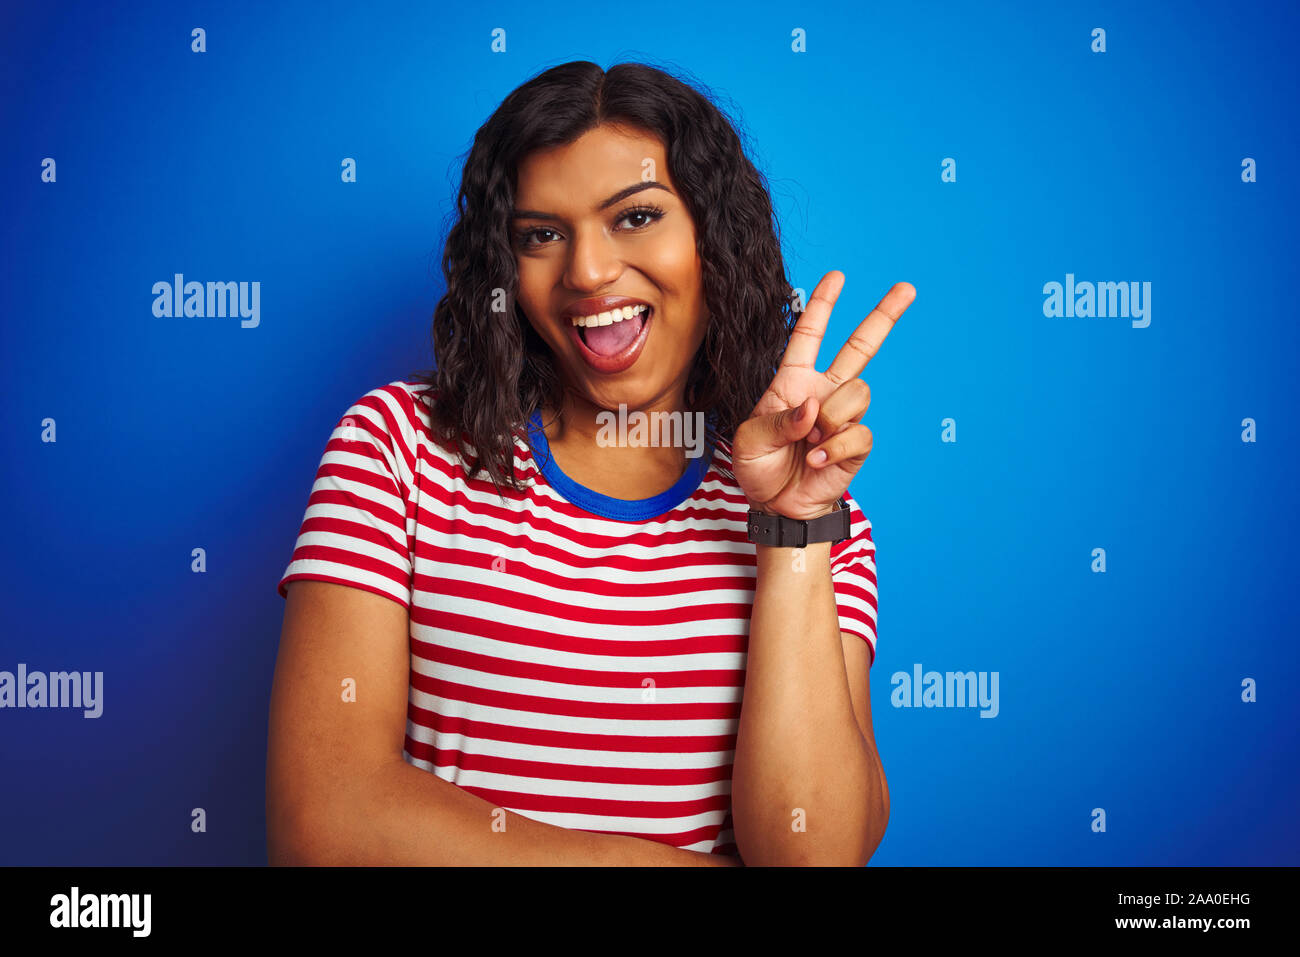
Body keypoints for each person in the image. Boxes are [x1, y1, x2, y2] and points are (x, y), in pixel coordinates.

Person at [265, 59, 913, 867]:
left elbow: (813, 853)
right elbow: (323, 820)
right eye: (542, 234)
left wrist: (790, 532)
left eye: (634, 217)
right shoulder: (396, 449)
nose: (588, 272)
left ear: (714, 236)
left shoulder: (819, 521)